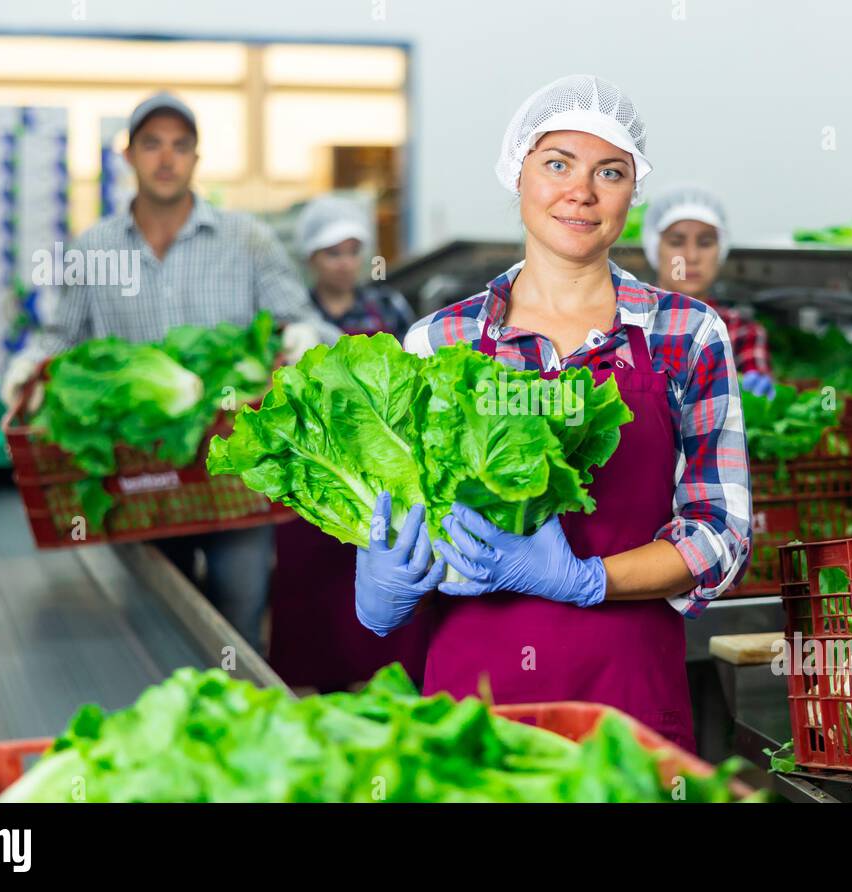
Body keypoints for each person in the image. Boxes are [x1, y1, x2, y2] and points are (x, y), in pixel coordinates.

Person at [355, 75, 753, 752]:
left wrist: (586, 580)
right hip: (472, 700)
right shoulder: (436, 342)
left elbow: (722, 536)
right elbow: (397, 511)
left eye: (611, 172)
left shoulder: (687, 332)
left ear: (633, 193)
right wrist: (381, 579)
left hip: (627, 697)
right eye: (558, 163)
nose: (582, 192)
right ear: (518, 174)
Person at [0, 91, 340, 651]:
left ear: (196, 161)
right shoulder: (95, 249)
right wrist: (29, 370)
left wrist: (303, 340)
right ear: (129, 155)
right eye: (152, 144)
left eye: (181, 146)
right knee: (157, 627)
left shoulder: (246, 240)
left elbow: (301, 320)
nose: (166, 159)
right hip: (142, 478)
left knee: (240, 615)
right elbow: (61, 339)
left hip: (237, 474)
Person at [267, 196, 429, 691]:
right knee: (311, 587)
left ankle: (383, 682)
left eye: (353, 251)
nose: (345, 263)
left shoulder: (388, 307)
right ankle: (319, 687)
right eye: (332, 253)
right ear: (312, 259)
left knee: (379, 569)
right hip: (313, 473)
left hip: (377, 470)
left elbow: (413, 380)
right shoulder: (291, 318)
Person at [643, 184, 775, 398]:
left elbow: (754, 407)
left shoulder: (740, 331)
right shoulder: (627, 323)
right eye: (677, 242)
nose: (692, 256)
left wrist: (757, 396)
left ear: (720, 251)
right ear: (654, 248)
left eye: (705, 243)